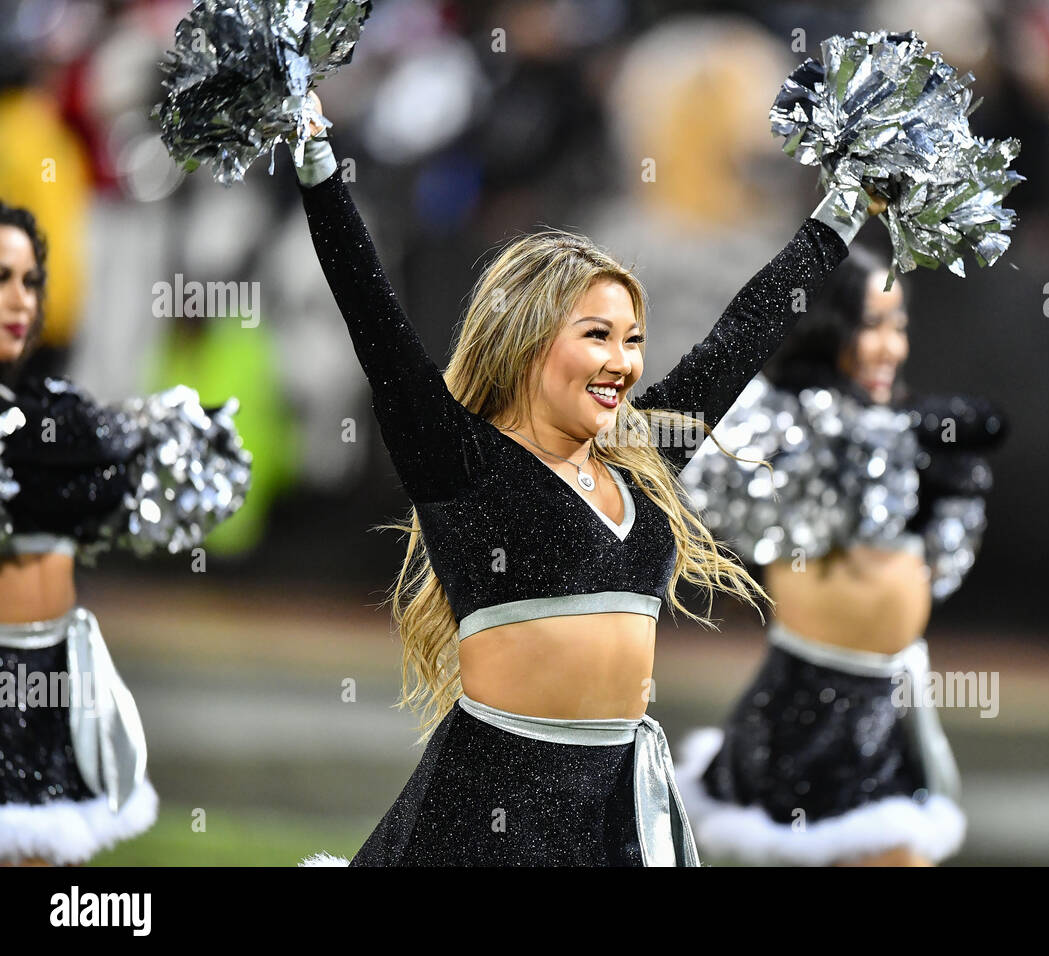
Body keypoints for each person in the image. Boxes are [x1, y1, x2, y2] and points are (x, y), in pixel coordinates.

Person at [292, 94, 877, 866]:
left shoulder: (642, 454)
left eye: (633, 340)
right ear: (530, 340)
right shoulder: (464, 464)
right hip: (486, 810)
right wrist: (313, 155)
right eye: (596, 335)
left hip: (614, 806)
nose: (624, 363)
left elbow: (742, 337)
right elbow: (369, 307)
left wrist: (844, 210)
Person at [674, 243, 1006, 866]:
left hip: (884, 702)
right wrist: (908, 435)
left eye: (899, 324)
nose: (892, 347)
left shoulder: (895, 429)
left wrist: (948, 482)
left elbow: (935, 557)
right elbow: (719, 483)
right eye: (872, 325)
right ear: (827, 327)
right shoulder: (781, 420)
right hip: (809, 703)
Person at [0, 200, 251, 865]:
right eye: (1, 278)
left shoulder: (58, 419)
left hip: (51, 677)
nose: (18, 300)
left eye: (29, 281)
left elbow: (159, 476)